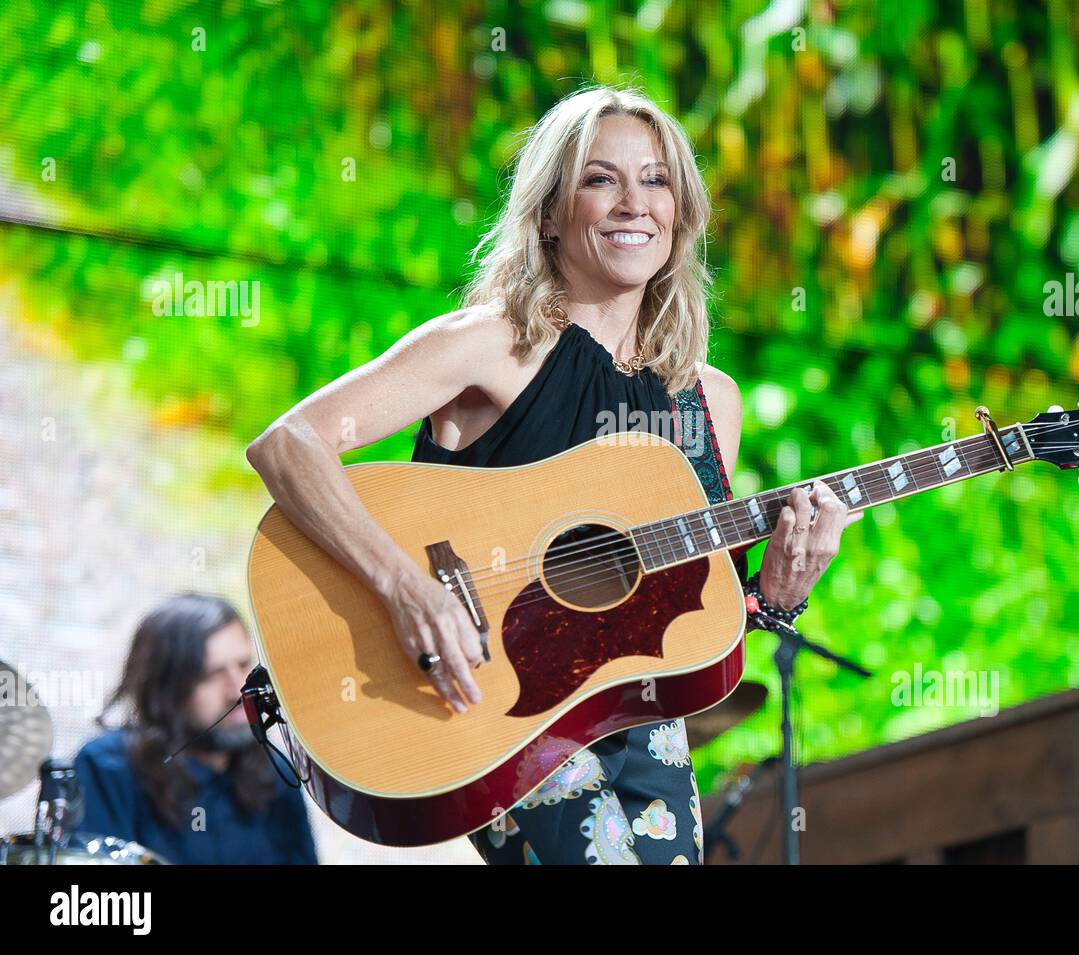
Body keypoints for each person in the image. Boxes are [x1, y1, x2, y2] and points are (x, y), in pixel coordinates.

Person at [244, 84, 861, 864]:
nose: (634, 202)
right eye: (602, 178)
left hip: (641, 718)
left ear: (683, 213)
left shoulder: (712, 400)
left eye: (658, 179)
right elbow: (288, 443)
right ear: (549, 211)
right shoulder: (486, 346)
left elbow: (701, 605)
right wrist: (407, 588)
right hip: (503, 707)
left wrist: (778, 596)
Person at [73, 592, 318, 865]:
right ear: (166, 688)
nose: (239, 690)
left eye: (243, 665)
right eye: (212, 675)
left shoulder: (278, 775)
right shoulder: (107, 766)